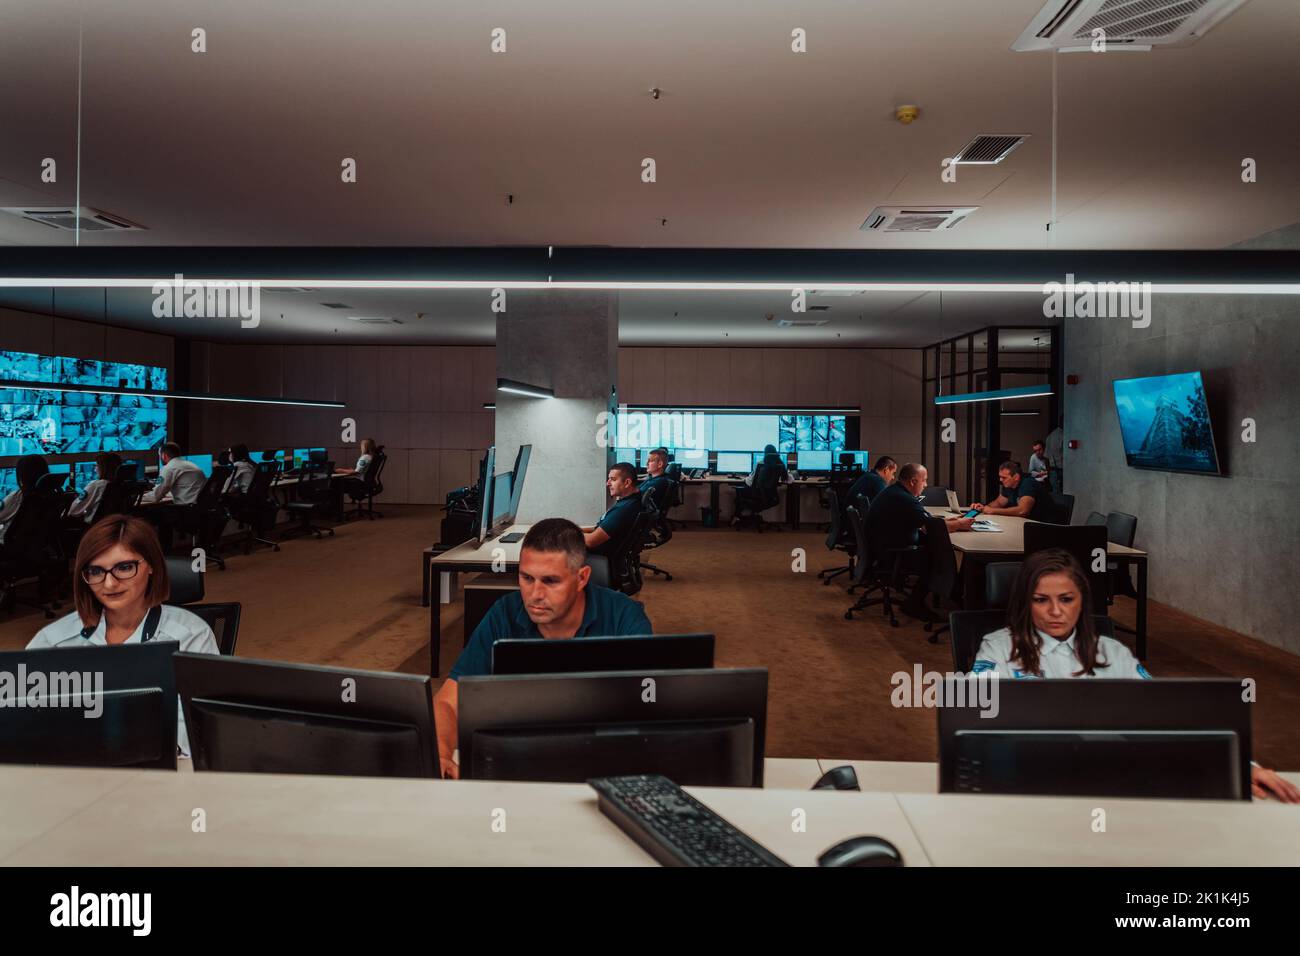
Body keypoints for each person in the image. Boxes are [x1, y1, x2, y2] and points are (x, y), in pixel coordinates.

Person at [971, 549, 1298, 803]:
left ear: (1082, 600)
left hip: (1110, 781)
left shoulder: (1112, 654)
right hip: (1029, 781)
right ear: (1025, 602)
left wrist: (1242, 765)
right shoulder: (998, 648)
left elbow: (1166, 714)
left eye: (1066, 599)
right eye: (1041, 600)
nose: (1055, 611)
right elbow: (973, 709)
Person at [433, 518, 653, 779]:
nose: (535, 594)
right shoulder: (504, 613)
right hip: (519, 763)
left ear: (582, 577)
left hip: (600, 765)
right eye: (527, 578)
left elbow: (648, 707)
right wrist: (441, 754)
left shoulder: (624, 618)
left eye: (550, 581)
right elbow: (448, 701)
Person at [26, 515, 220, 757]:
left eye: (125, 567)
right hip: (76, 765)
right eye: (96, 571)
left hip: (163, 766)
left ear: (151, 565)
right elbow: (22, 715)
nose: (109, 584)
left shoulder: (190, 634)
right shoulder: (54, 640)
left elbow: (204, 728)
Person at [865, 463, 973, 621]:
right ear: (913, 481)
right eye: (924, 480)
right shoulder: (904, 499)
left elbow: (926, 522)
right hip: (892, 553)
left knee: (933, 547)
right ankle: (915, 603)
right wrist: (959, 524)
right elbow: (931, 527)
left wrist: (951, 522)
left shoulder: (896, 492)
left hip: (882, 548)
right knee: (937, 558)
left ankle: (952, 593)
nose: (926, 485)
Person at [583, 462, 642, 557]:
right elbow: (603, 528)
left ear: (627, 483)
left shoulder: (623, 509)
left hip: (596, 553)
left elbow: (591, 541)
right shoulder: (631, 501)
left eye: (613, 479)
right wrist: (576, 529)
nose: (608, 483)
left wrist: (568, 534)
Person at [0, 454, 49, 546]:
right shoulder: (52, 494)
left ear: (22, 475)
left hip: (8, 545)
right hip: (35, 545)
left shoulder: (18, 496)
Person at [971, 460, 1045, 519]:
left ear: (1016, 477)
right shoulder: (1009, 484)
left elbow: (1023, 511)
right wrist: (983, 507)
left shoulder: (1028, 483)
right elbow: (999, 503)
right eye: (1000, 477)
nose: (1000, 480)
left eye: (1004, 477)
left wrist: (993, 511)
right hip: (1027, 523)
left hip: (1045, 525)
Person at [139, 442, 206, 506]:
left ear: (164, 455)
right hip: (199, 507)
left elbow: (155, 496)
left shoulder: (169, 468)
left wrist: (137, 497)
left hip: (185, 508)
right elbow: (185, 489)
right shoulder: (190, 464)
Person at [67, 452, 121, 524]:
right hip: (113, 525)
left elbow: (73, 511)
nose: (95, 470)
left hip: (94, 527)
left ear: (103, 468)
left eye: (96, 466)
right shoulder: (121, 485)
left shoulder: (96, 485)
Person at [640, 447, 671, 512]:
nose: (646, 464)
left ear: (660, 464)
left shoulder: (658, 482)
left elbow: (636, 496)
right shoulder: (653, 479)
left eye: (650, 461)